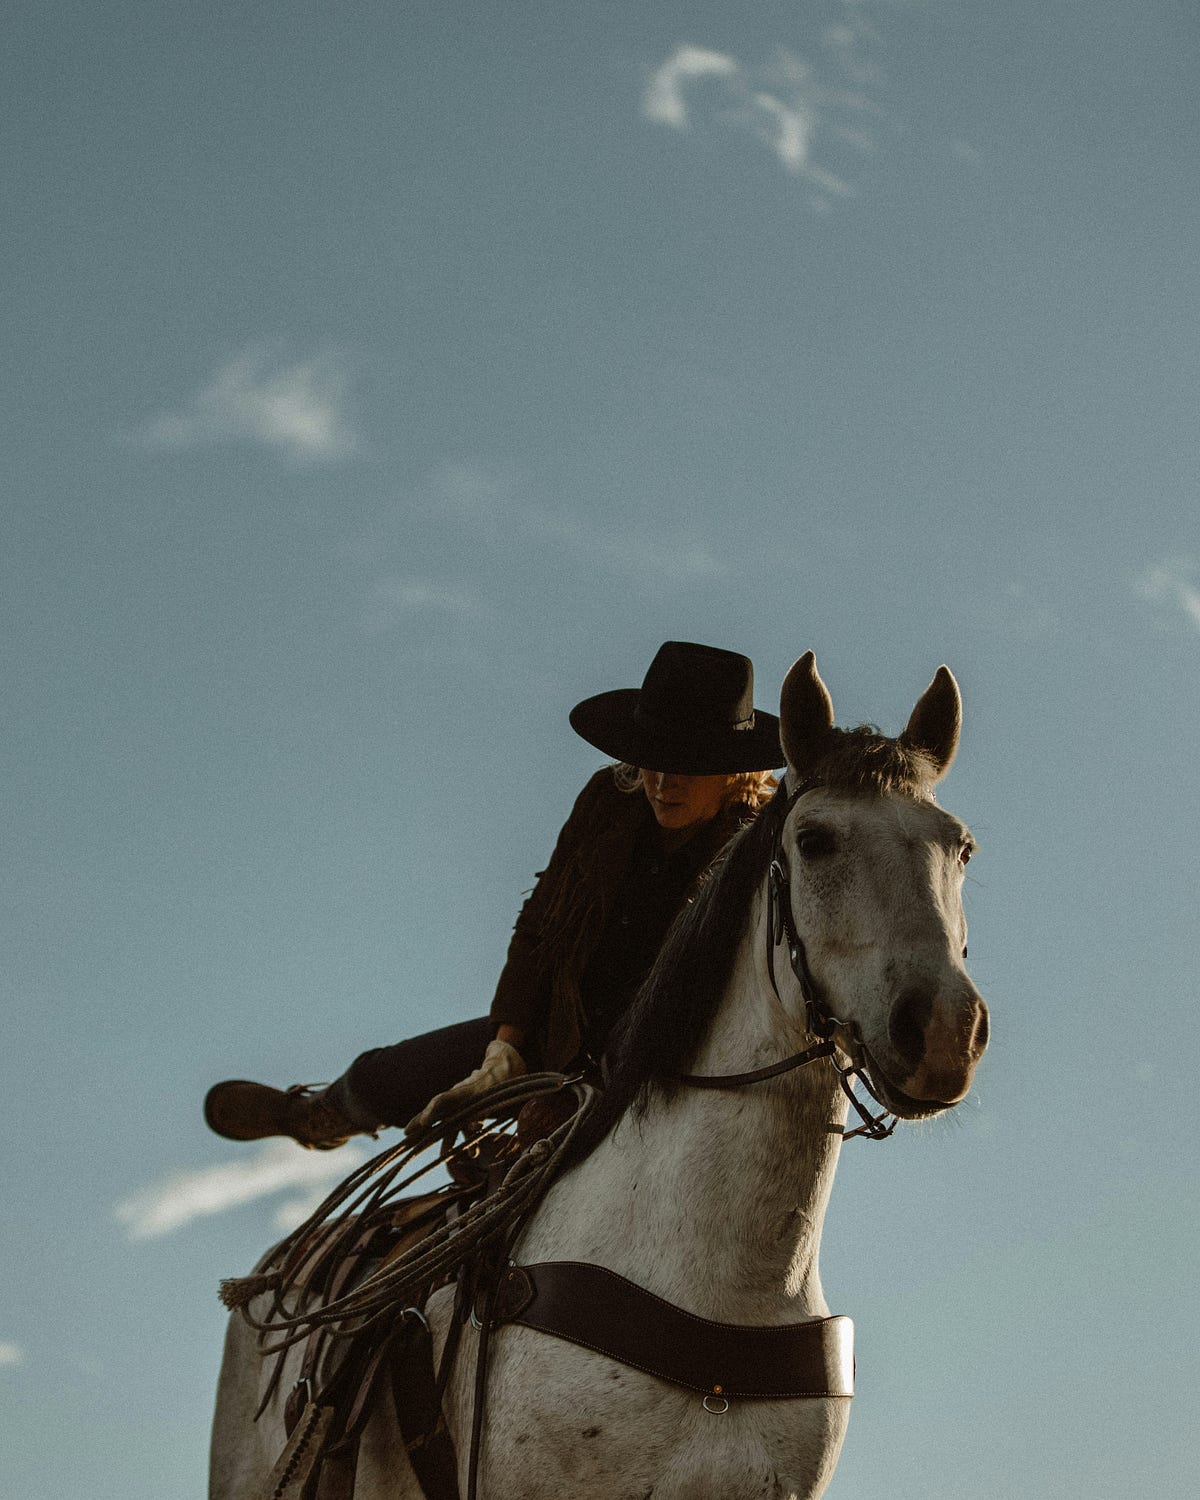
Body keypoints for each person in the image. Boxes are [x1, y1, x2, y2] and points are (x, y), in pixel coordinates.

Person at [204, 641, 783, 1150]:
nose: (662, 782)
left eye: (686, 765)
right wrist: (504, 1050)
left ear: (733, 770)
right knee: (388, 1076)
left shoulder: (758, 849)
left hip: (669, 1054)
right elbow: (541, 922)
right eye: (652, 760)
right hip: (558, 1022)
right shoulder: (609, 802)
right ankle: (316, 1117)